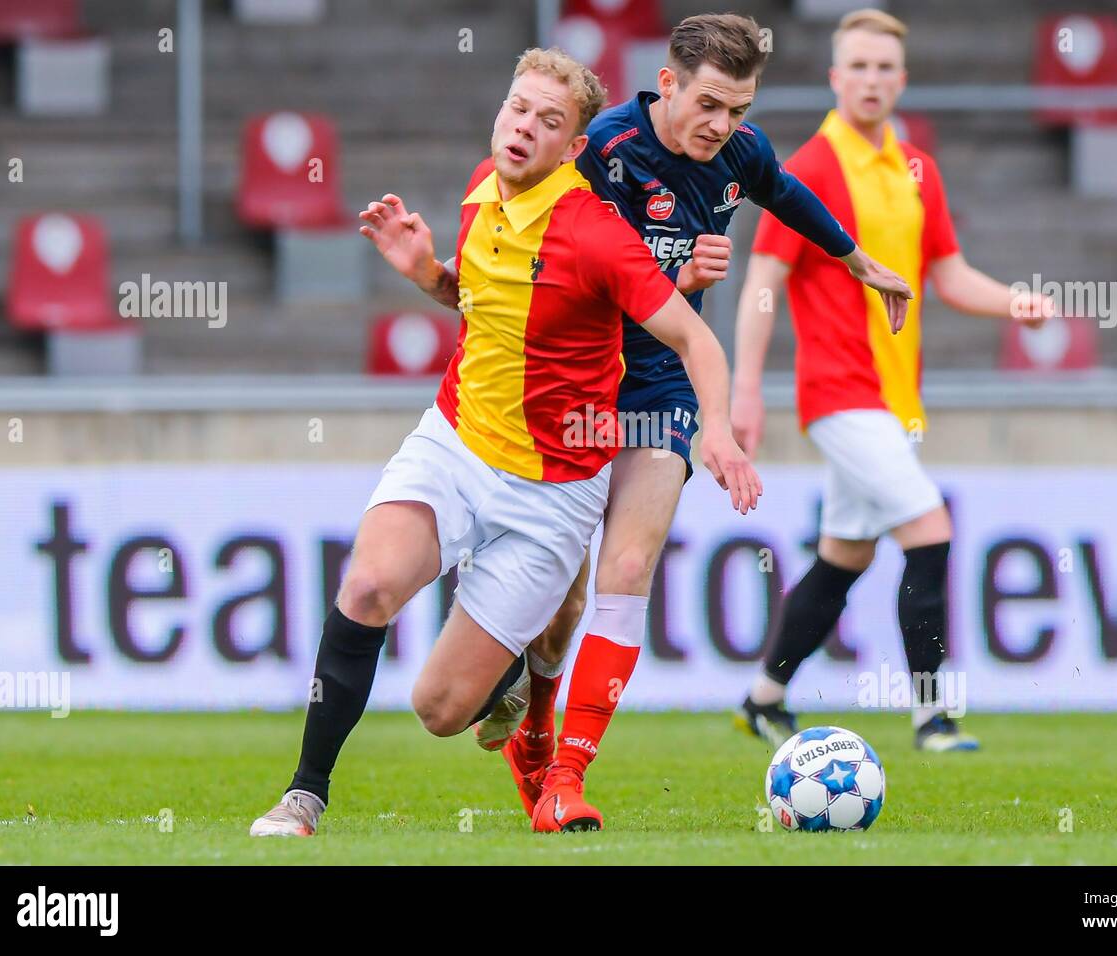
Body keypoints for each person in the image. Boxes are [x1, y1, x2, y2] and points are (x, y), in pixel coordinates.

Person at [249, 47, 760, 837]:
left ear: (574, 149)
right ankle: (304, 795)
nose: (525, 127)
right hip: (455, 445)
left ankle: (525, 678)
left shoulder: (598, 235)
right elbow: (489, 303)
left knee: (440, 709)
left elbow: (697, 342)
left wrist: (719, 432)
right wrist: (427, 276)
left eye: (549, 121)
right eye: (518, 108)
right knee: (368, 588)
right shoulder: (479, 193)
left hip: (553, 491)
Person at [480, 13, 913, 831]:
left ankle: (567, 780)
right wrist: (674, 270)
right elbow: (574, 281)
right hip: (579, 385)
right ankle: (533, 729)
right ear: (668, 84)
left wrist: (858, 262)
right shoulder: (603, 149)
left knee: (629, 567)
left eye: (739, 110)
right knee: (562, 597)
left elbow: (783, 193)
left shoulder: (738, 154)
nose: (724, 127)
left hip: (664, 389)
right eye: (711, 105)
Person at [731, 8, 1055, 751]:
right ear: (835, 77)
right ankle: (933, 716)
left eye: (885, 68)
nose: (872, 80)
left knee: (846, 553)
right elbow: (762, 281)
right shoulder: (810, 166)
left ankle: (763, 696)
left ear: (901, 80)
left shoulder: (915, 170)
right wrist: (744, 387)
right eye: (859, 67)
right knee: (930, 529)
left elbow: (946, 275)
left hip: (894, 399)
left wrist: (1015, 302)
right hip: (840, 394)